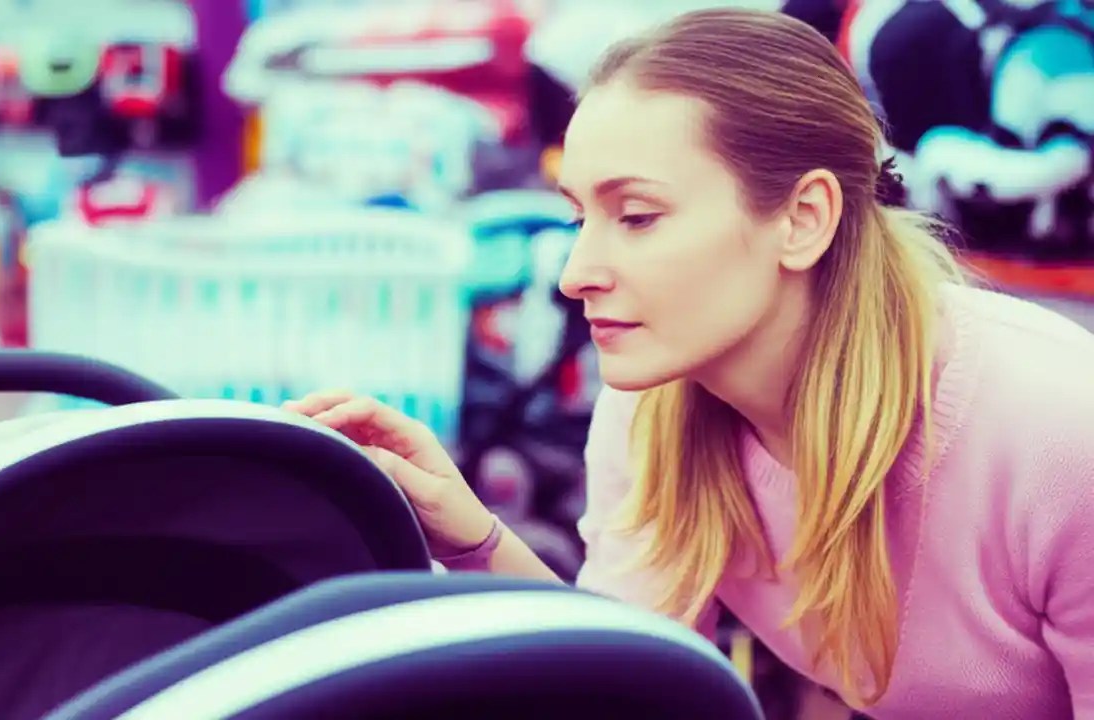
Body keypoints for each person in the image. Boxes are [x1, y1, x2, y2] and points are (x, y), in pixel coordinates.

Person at [284, 9, 1094, 720]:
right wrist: (476, 542)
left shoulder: (1058, 433)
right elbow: (620, 686)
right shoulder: (655, 406)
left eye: (636, 217)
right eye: (579, 219)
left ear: (804, 219)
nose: (575, 274)